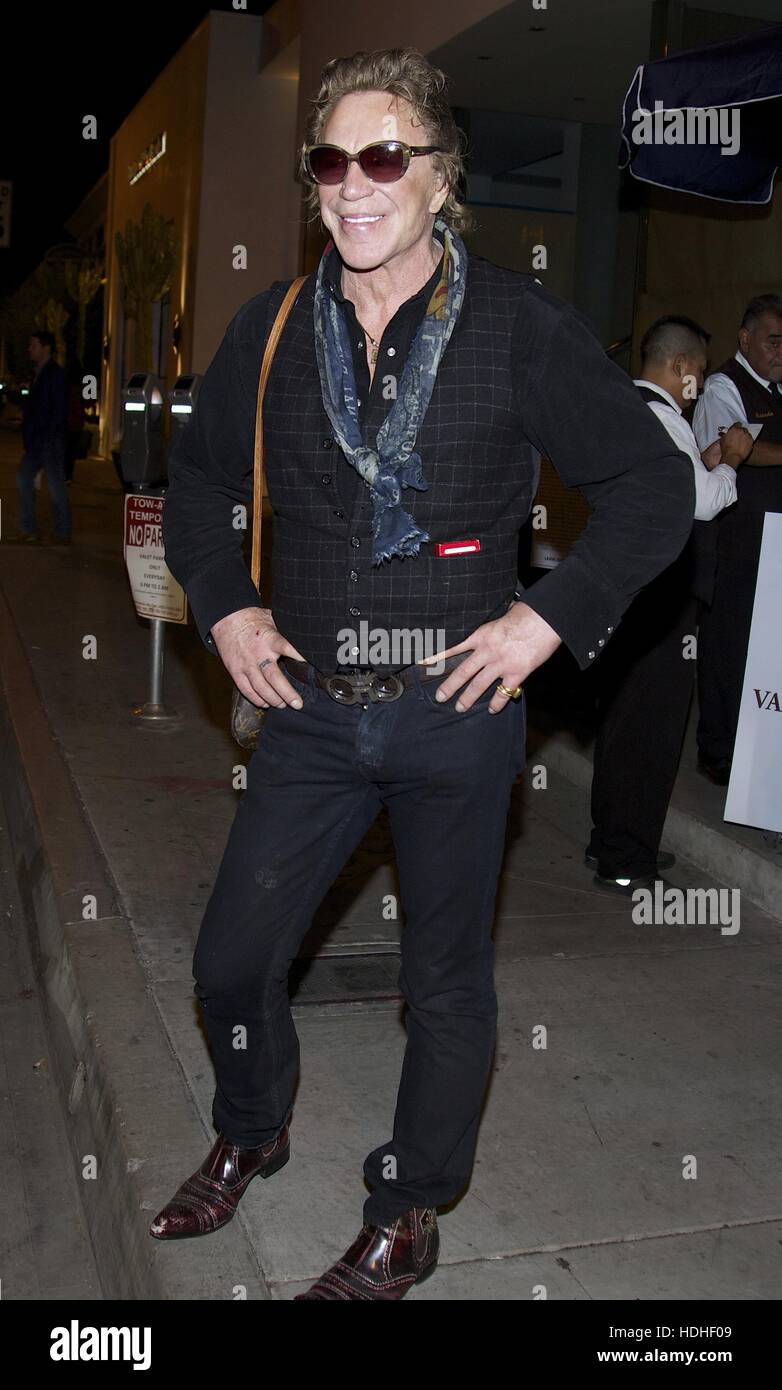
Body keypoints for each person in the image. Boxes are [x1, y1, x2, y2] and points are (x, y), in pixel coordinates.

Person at [155, 48, 694, 1300]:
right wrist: (227, 609)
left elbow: (650, 489)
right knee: (232, 962)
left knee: (442, 983)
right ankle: (254, 1120)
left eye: (384, 156)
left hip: (456, 716)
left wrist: (540, 624)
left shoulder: (516, 327)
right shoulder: (274, 328)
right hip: (306, 709)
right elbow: (193, 482)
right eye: (331, 161)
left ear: (440, 179)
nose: (354, 184)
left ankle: (407, 1206)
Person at [587, 316, 754, 894]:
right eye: (701, 373)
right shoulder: (665, 416)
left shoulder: (627, 408)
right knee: (653, 732)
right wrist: (731, 457)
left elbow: (666, 489)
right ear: (680, 367)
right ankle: (628, 857)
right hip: (662, 603)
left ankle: (608, 840)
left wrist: (701, 461)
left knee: (621, 721)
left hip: (626, 595)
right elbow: (703, 506)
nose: (702, 385)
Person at [692, 293, 782, 784]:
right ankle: (718, 748)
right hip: (737, 541)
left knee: (764, 647)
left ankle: (758, 744)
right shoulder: (724, 386)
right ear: (745, 338)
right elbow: (735, 446)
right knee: (728, 642)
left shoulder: (777, 389)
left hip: (774, 542)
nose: (780, 350)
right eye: (772, 340)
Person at [9, 330, 71, 544]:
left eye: (33, 345)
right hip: (37, 440)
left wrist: (48, 432)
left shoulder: (55, 374)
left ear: (46, 348)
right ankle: (29, 529)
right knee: (24, 477)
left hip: (49, 439)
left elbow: (58, 409)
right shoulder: (38, 373)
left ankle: (62, 532)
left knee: (55, 485)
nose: (29, 349)